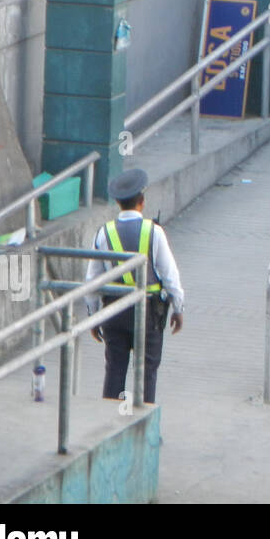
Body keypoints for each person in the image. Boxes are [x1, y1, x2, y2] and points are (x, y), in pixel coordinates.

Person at [85, 168, 184, 405]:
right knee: (146, 372)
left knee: (115, 370)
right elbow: (170, 275)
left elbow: (92, 281)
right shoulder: (154, 232)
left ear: (118, 202)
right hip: (148, 312)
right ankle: (143, 426)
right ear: (142, 201)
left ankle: (107, 425)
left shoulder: (103, 233)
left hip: (114, 310)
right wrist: (178, 308)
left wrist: (93, 315)